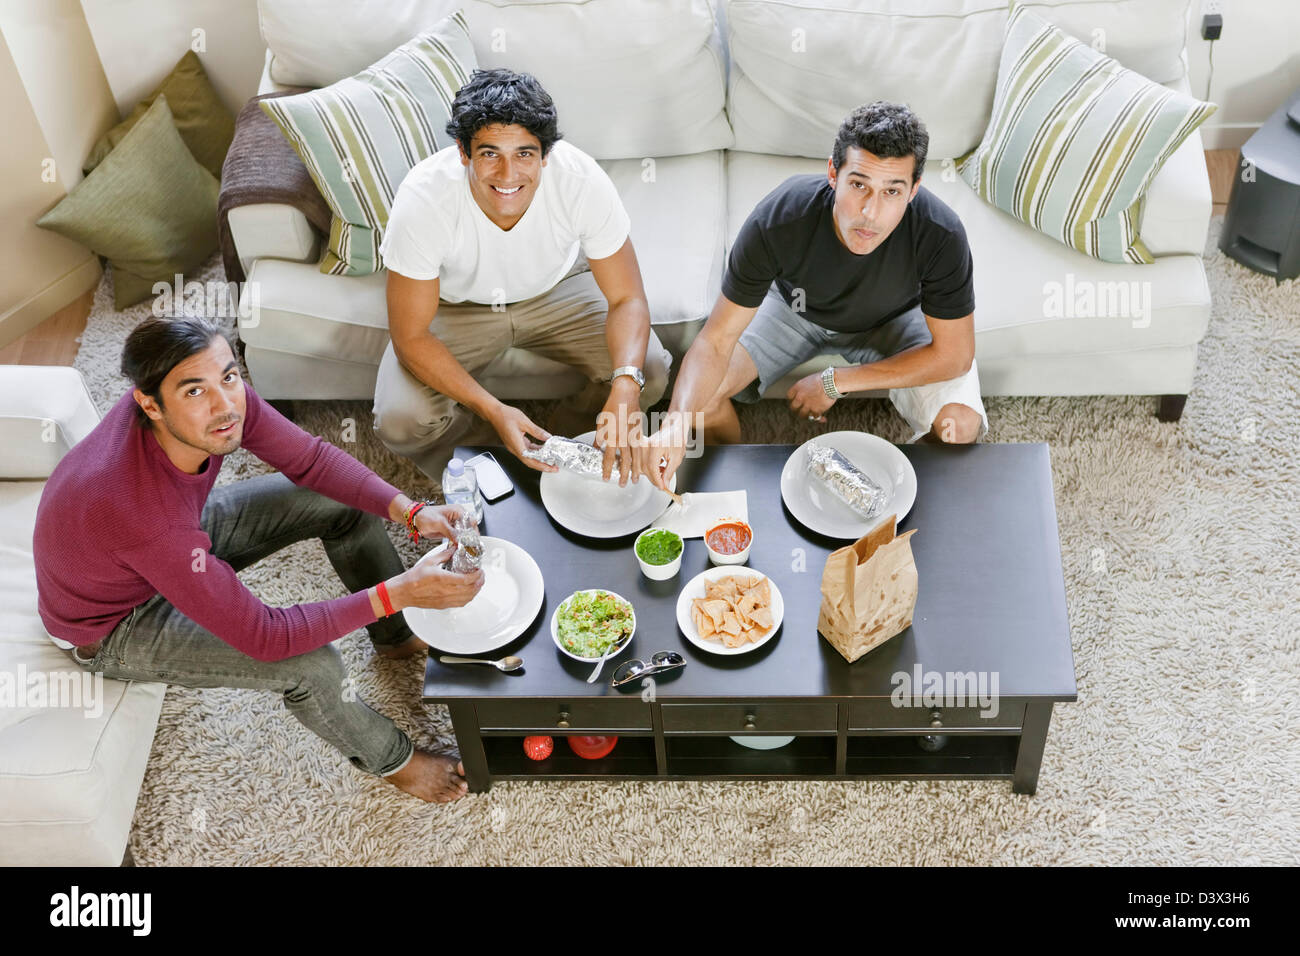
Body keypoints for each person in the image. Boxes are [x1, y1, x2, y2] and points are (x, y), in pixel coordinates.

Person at [33, 318, 484, 803]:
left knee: (339, 501)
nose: (226, 406)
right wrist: (399, 591)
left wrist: (412, 512)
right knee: (310, 664)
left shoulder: (199, 400)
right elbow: (267, 637)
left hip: (168, 543)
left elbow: (311, 460)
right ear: (149, 405)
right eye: (195, 392)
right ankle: (396, 763)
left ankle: (396, 636)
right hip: (115, 623)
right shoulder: (144, 515)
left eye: (228, 377)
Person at [638, 101, 988, 489]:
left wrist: (835, 381)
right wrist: (675, 423)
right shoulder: (780, 218)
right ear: (833, 174)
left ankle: (904, 499)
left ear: (914, 190)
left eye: (892, 191)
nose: (871, 212)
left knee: (960, 424)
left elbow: (954, 356)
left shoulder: (941, 233)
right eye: (859, 185)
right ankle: (732, 488)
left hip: (891, 319)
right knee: (698, 404)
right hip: (793, 310)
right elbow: (716, 340)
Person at [374, 67, 672, 486]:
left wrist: (625, 387)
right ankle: (496, 466)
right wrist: (494, 412)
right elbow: (410, 336)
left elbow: (628, 299)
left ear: (546, 155)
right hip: (458, 305)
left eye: (524, 155)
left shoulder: (580, 180)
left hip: (558, 289)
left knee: (649, 372)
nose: (508, 175)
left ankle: (566, 435)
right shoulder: (423, 200)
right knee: (400, 420)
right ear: (463, 152)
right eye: (490, 153)